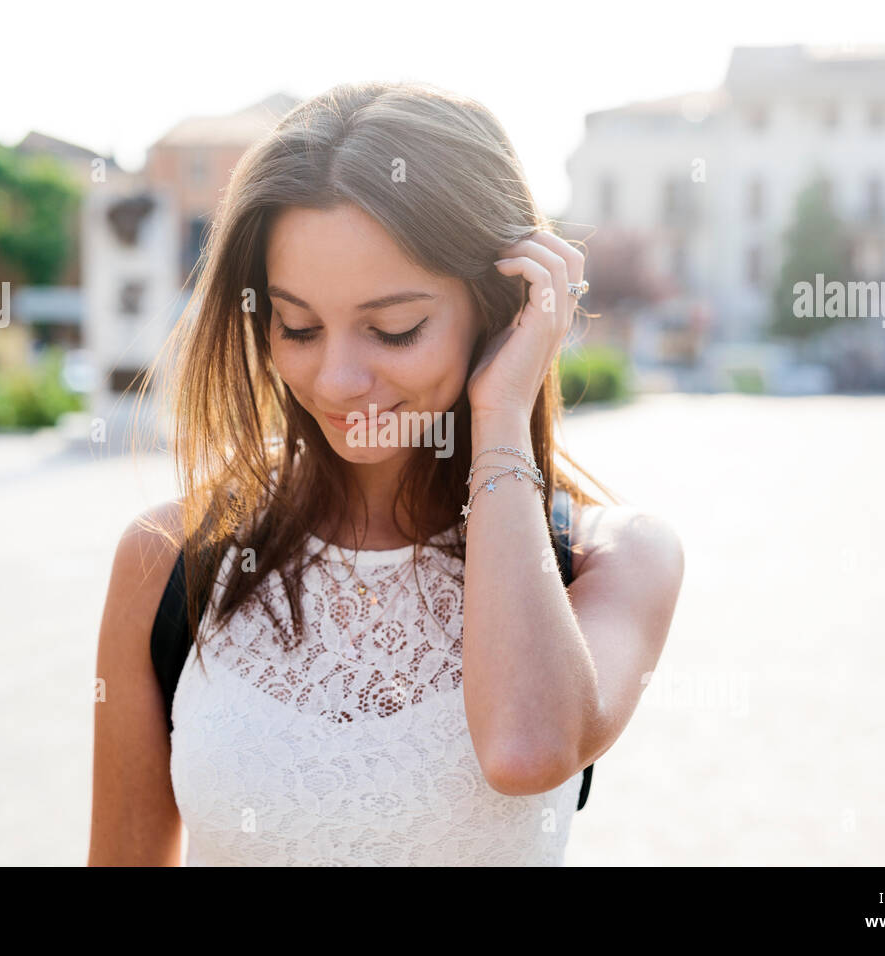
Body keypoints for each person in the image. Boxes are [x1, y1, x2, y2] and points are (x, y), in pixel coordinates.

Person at [87, 80, 684, 866]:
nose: (337, 380)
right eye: (297, 326)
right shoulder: (167, 559)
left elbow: (525, 749)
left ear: (501, 307)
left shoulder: (614, 558)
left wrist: (501, 415)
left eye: (394, 331)